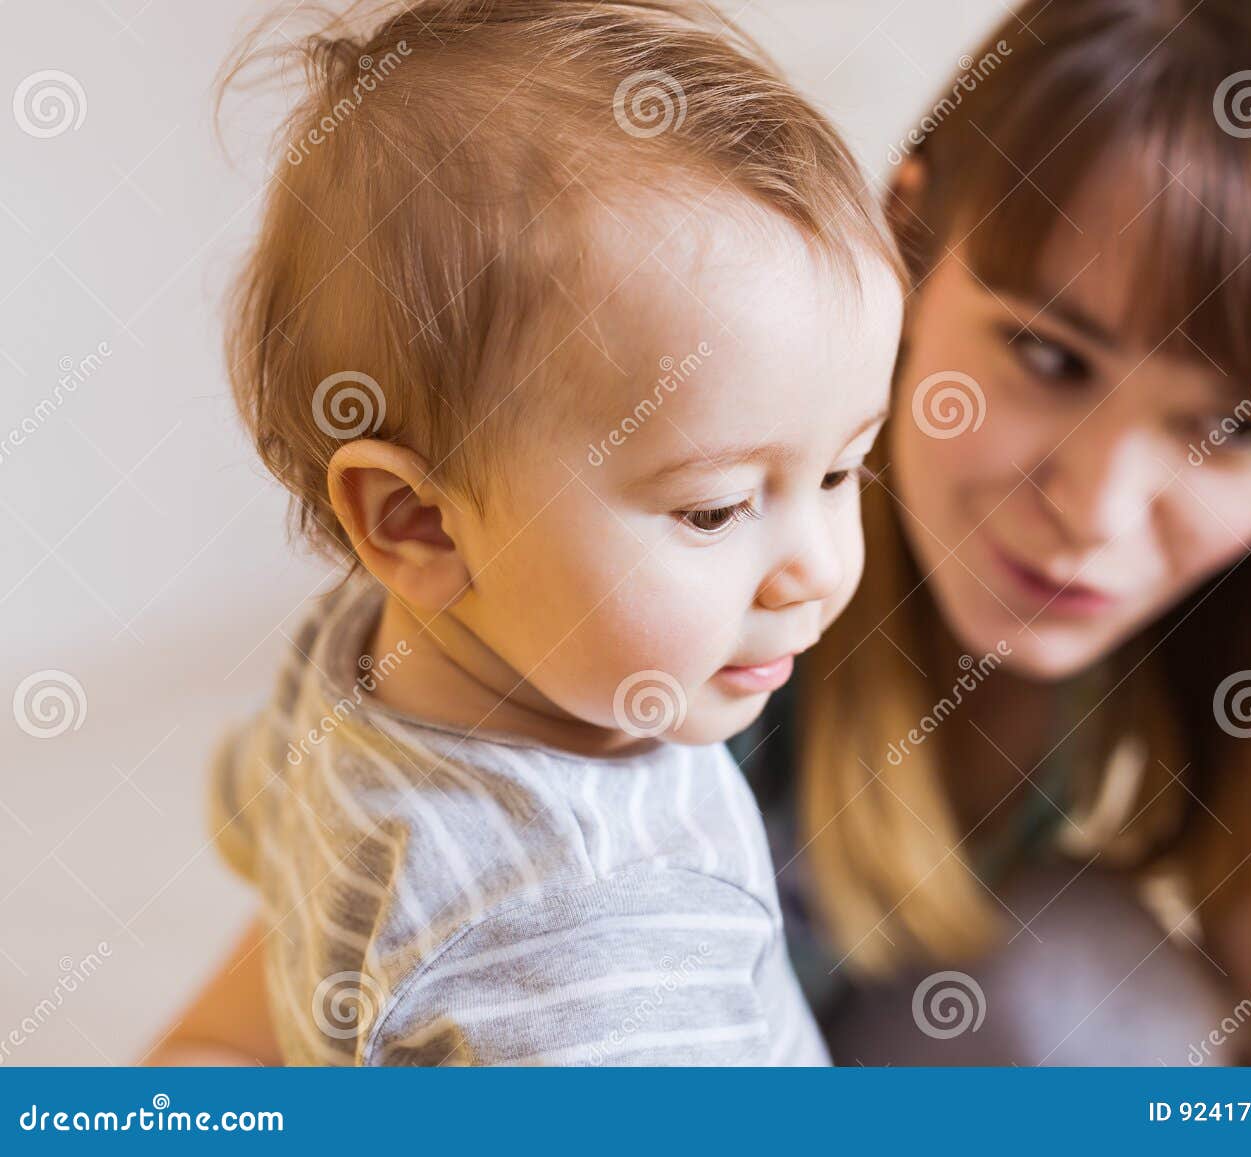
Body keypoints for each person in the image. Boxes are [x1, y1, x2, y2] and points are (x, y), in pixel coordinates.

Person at [151, 0, 1251, 1067]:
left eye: (1231, 428)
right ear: (910, 240)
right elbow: (278, 1006)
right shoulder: (625, 677)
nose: (1094, 512)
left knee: (1089, 981)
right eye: (1047, 356)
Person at [195, 0, 903, 1065]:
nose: (818, 567)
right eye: (713, 509)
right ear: (415, 522)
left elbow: (259, 815)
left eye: (843, 469)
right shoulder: (587, 935)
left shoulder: (349, 651)